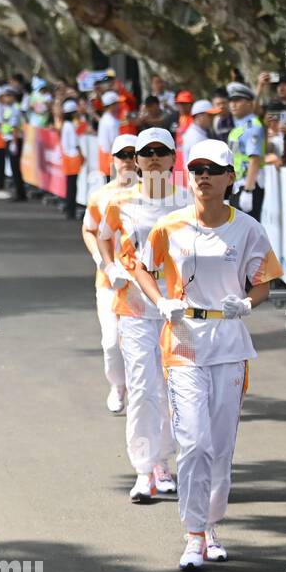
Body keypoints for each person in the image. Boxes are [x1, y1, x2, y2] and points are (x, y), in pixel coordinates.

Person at [134, 140, 282, 570]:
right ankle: (193, 534)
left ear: (229, 178)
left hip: (229, 340)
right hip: (183, 337)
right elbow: (144, 266)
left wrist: (248, 304)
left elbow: (264, 281)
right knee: (194, 441)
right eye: (196, 168)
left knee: (220, 445)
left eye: (213, 169)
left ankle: (212, 526)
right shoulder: (171, 224)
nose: (203, 176)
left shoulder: (248, 228)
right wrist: (161, 302)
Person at [96, 127, 186, 502]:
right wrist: (110, 265)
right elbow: (102, 234)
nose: (151, 157)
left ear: (171, 158)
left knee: (171, 390)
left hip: (178, 309)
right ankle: (144, 470)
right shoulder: (121, 201)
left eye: (159, 151)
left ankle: (164, 463)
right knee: (142, 388)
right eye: (145, 151)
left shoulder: (187, 201)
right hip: (134, 307)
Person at [82, 134, 135, 415]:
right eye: (122, 156)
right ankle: (118, 385)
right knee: (112, 342)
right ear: (112, 161)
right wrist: (101, 260)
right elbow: (89, 229)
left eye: (132, 155)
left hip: (144, 283)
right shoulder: (101, 196)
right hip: (109, 281)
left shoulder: (156, 195)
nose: (127, 160)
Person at [226, 82, 265, 223]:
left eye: (238, 100)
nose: (233, 105)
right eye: (231, 101)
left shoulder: (252, 127)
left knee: (249, 232)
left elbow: (254, 159)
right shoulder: (238, 127)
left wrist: (248, 191)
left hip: (249, 186)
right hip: (237, 185)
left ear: (250, 103)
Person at [59, 99, 83, 219]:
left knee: (70, 184)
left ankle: (70, 209)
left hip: (67, 156)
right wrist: (82, 155)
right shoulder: (70, 126)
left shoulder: (65, 125)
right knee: (72, 185)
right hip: (72, 157)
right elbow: (75, 143)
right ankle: (71, 210)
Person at [180, 99, 214, 165]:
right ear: (199, 116)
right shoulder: (196, 138)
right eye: (209, 115)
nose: (212, 118)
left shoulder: (195, 132)